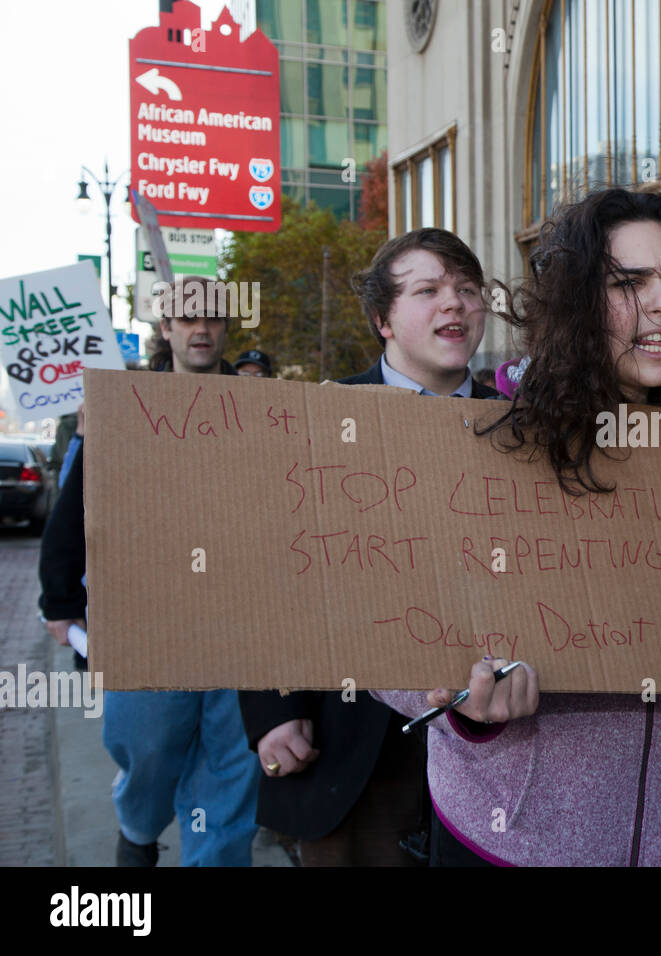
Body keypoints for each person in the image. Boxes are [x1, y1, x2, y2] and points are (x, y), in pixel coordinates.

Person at [372, 188, 661, 866]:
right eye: (629, 283)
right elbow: (383, 622)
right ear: (577, 304)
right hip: (513, 842)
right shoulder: (490, 436)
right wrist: (458, 696)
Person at [237, 228, 500, 866]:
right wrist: (275, 710)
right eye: (428, 290)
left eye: (468, 290)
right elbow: (268, 570)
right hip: (352, 746)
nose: (455, 305)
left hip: (495, 748)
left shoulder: (520, 423)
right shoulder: (319, 419)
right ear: (382, 318)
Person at [39, 277, 261, 866]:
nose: (201, 329)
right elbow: (74, 511)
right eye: (187, 320)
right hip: (149, 621)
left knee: (229, 762)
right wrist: (60, 603)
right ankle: (138, 829)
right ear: (166, 329)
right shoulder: (124, 409)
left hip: (239, 620)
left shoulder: (263, 411)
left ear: (225, 328)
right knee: (148, 747)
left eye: (212, 319)